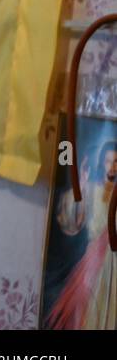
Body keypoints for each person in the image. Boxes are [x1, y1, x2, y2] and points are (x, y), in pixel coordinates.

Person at [45, 140, 117, 330]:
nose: (113, 166)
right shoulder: (92, 188)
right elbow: (70, 220)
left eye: (116, 161)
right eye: (109, 161)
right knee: (89, 311)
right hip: (94, 263)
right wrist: (82, 186)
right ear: (102, 162)